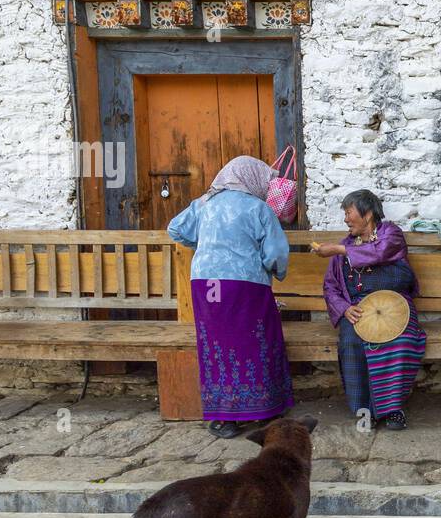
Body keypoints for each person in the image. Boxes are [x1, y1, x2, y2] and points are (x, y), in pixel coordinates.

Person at [168, 155, 292, 439]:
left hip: (206, 284)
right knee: (255, 340)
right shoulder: (259, 209)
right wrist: (276, 271)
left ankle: (224, 417)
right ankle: (263, 408)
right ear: (252, 179)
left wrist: (204, 242)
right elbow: (275, 253)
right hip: (244, 284)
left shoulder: (205, 204)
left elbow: (175, 228)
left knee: (217, 346)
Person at [314, 189, 426, 431]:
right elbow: (330, 287)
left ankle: (393, 409)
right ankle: (366, 410)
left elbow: (381, 252)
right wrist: (344, 309)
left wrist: (338, 250)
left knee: (401, 340)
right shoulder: (345, 245)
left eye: (348, 212)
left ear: (366, 214)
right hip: (359, 308)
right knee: (351, 341)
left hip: (395, 305)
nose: (345, 218)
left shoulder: (391, 233)